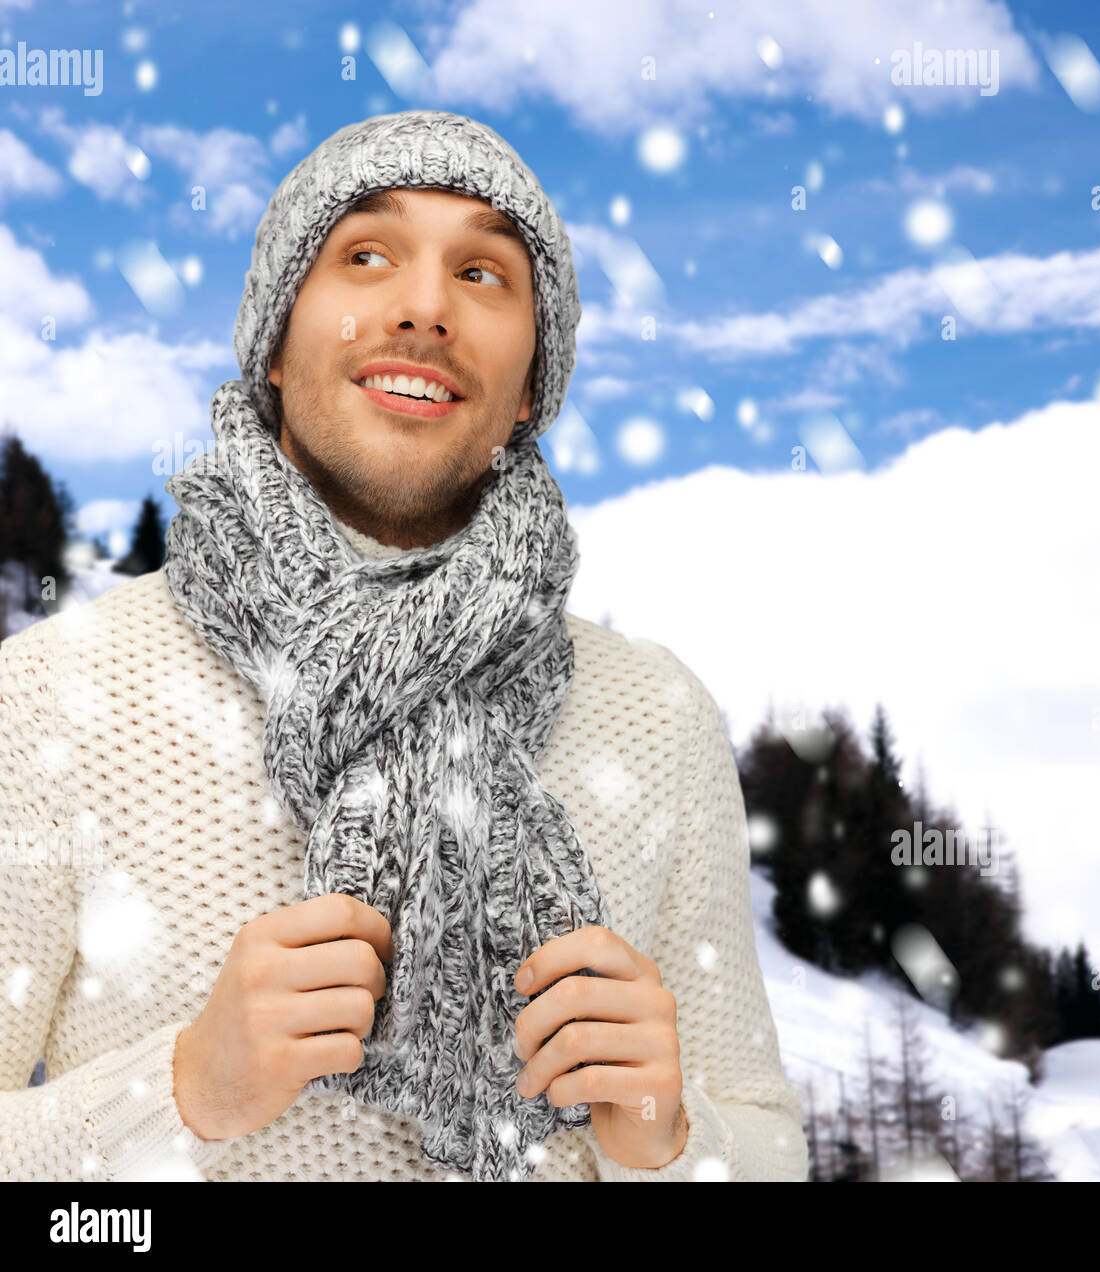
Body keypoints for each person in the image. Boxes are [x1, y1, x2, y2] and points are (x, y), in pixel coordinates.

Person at [0, 110, 809, 1182]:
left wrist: (669, 1142)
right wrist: (185, 1090)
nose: (425, 307)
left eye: (483, 274)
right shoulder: (53, 699)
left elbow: (765, 1149)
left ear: (530, 389)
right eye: (365, 255)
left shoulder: (656, 715)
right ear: (276, 349)